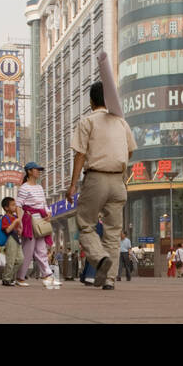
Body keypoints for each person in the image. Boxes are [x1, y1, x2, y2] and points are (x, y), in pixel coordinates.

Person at [65, 79, 136, 291]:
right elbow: (130, 150)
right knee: (113, 232)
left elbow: (80, 154)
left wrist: (73, 185)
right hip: (118, 181)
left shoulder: (88, 122)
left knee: (85, 223)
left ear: (91, 100)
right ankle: (109, 279)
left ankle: (99, 258)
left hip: (96, 178)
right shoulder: (122, 122)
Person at [17, 162, 59, 288]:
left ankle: (48, 275)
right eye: (37, 169)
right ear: (29, 171)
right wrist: (19, 223)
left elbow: (43, 203)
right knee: (28, 250)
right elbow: (19, 205)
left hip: (41, 220)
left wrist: (48, 213)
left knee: (41, 249)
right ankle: (20, 277)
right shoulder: (24, 187)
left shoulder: (40, 187)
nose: (39, 172)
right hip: (29, 220)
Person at [0, 197, 24, 286]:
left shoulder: (15, 217)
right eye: (13, 205)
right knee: (10, 260)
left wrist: (18, 223)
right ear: (6, 208)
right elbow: (7, 230)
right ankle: (7, 278)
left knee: (20, 259)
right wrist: (15, 222)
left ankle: (7, 276)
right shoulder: (5, 218)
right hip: (10, 239)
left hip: (17, 239)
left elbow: (19, 229)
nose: (15, 207)